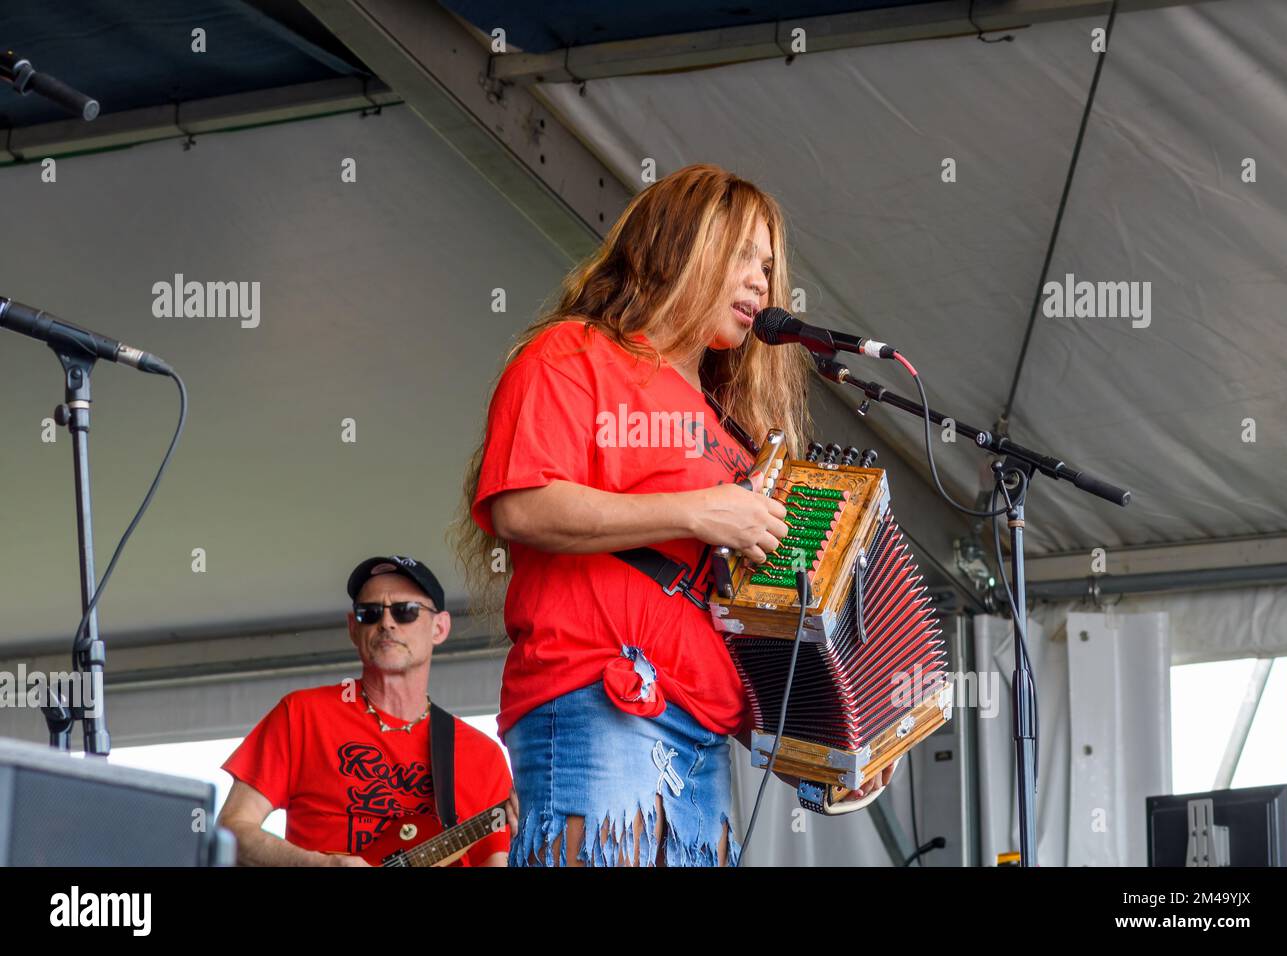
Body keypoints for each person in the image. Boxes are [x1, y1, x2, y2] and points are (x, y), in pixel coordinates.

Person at [454, 163, 893, 868]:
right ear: (679, 244)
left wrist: (819, 737)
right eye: (743, 255)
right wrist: (701, 511)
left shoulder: (731, 430)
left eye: (769, 267)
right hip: (604, 702)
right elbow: (522, 505)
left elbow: (734, 616)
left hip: (705, 738)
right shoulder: (573, 353)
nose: (761, 282)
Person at [218, 555, 512, 866]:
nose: (387, 623)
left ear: (439, 628)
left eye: (406, 612)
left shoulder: (482, 756)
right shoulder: (302, 715)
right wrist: (325, 865)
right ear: (353, 629)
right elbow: (232, 830)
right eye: (369, 613)